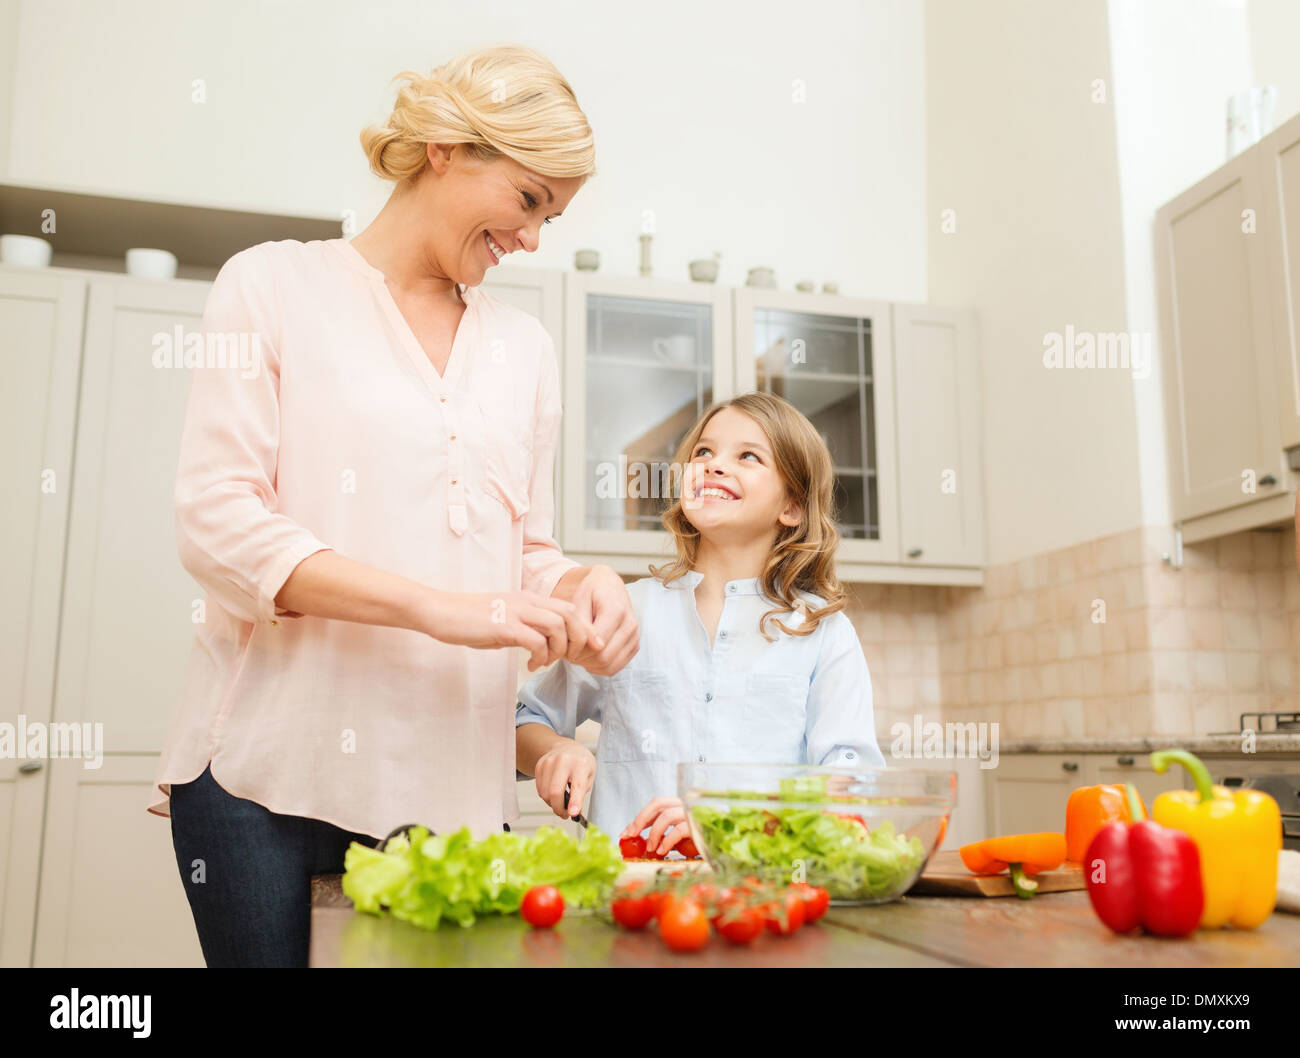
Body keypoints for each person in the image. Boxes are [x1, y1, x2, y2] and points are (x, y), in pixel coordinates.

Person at [150, 45, 638, 968]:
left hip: (448, 787)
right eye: (531, 200)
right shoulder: (272, 285)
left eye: (554, 217)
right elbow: (217, 522)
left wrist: (584, 581)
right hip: (267, 771)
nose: (535, 238)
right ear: (448, 147)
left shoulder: (523, 349)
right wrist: (438, 609)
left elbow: (523, 548)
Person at [515, 393, 886, 855]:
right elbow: (523, 719)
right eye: (703, 453)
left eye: (748, 456)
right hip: (630, 894)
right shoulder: (625, 612)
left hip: (761, 893)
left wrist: (735, 821)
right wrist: (553, 750)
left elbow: (852, 783)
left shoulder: (821, 630)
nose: (713, 465)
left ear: (791, 506)